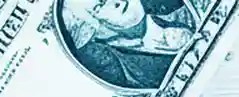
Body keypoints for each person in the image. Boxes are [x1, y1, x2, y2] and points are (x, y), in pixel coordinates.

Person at [59, 0, 198, 90]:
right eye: (101, 5)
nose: (118, 2)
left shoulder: (185, 11)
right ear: (94, 24)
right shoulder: (118, 70)